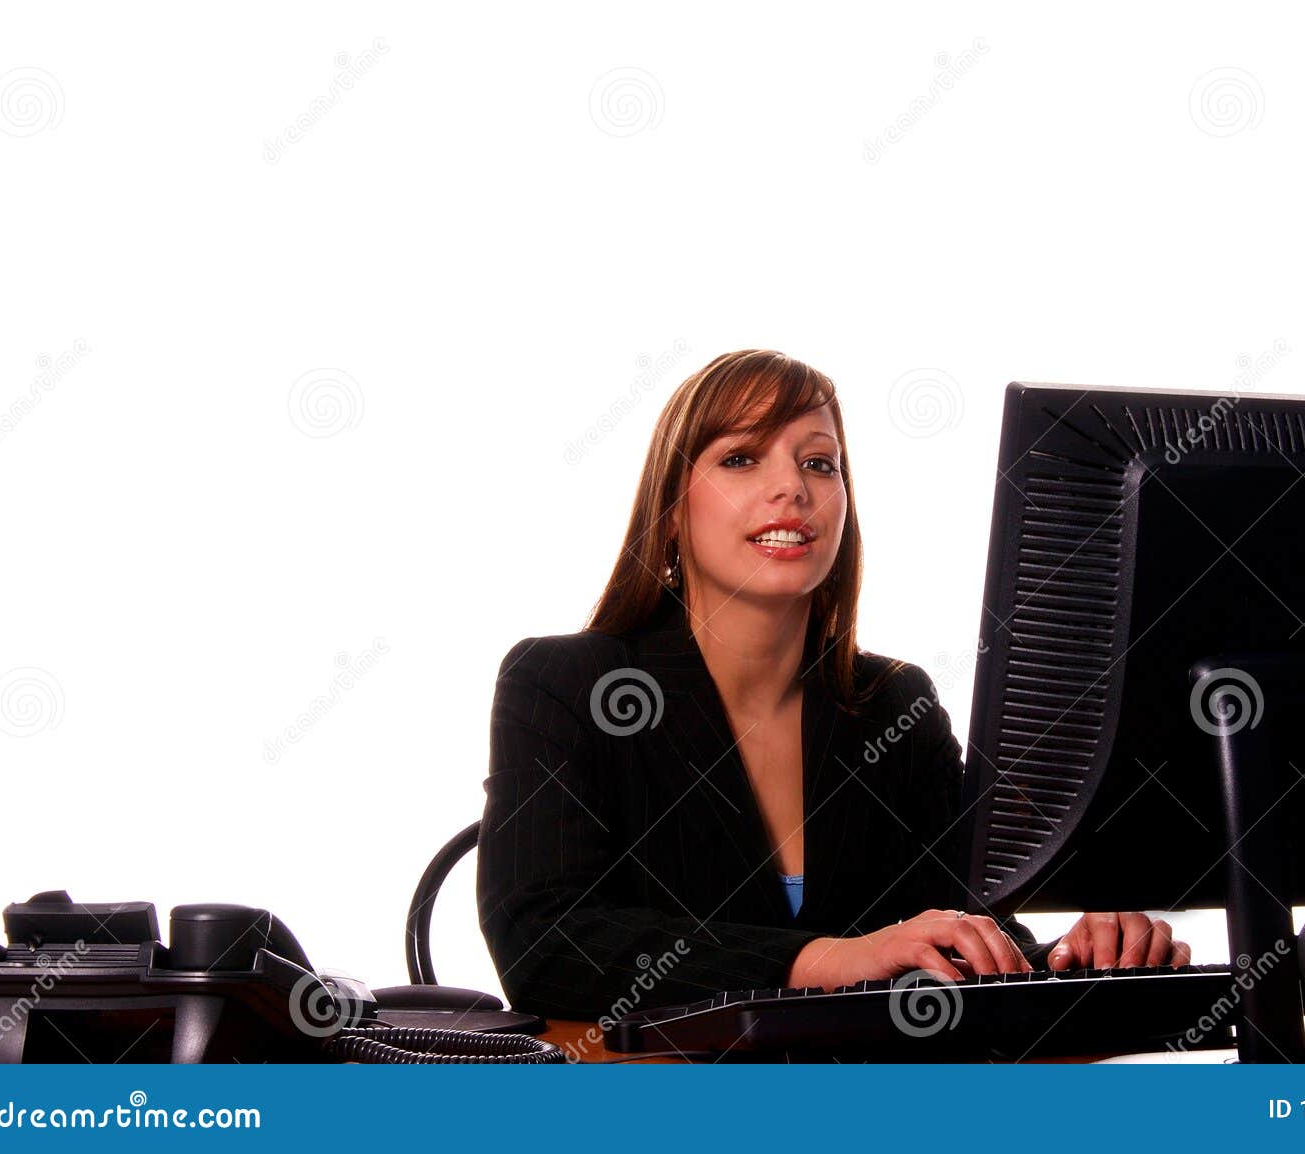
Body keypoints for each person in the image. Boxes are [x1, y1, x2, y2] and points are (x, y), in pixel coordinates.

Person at [476, 349, 1190, 1020]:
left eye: (820, 462)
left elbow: (961, 935)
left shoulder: (894, 705)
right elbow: (545, 939)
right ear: (669, 515)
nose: (792, 487)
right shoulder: (563, 683)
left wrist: (1076, 957)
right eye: (741, 458)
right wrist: (828, 959)